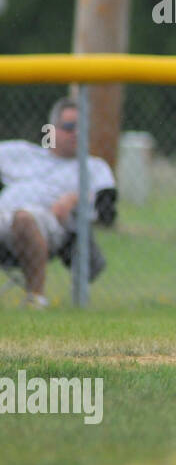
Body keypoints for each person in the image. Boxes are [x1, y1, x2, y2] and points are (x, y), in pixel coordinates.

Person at [0, 97, 116, 308]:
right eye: (69, 127)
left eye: (82, 127)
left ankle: (36, 298)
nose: (76, 133)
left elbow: (107, 212)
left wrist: (78, 198)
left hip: (49, 224)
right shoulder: (23, 153)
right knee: (17, 216)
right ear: (50, 130)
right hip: (3, 217)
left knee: (24, 218)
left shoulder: (93, 167)